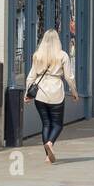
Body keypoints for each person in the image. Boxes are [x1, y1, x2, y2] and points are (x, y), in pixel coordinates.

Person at [23, 29, 78, 165]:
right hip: (56, 93)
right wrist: (75, 93)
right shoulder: (62, 55)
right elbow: (69, 77)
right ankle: (50, 143)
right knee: (58, 124)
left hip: (40, 93)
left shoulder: (37, 55)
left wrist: (27, 94)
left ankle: (48, 156)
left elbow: (31, 76)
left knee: (46, 124)